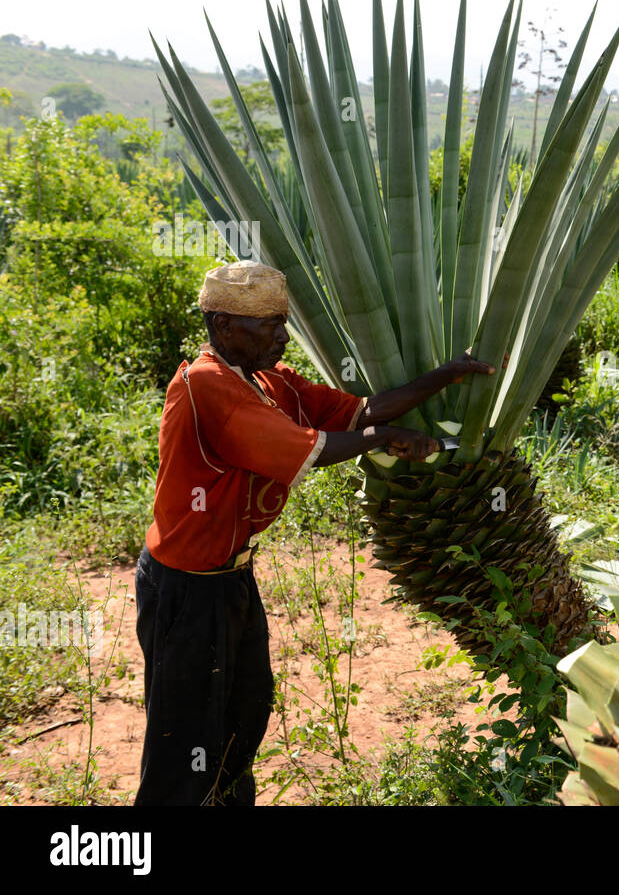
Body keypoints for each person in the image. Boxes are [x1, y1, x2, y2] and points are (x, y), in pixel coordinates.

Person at [134, 259, 493, 805]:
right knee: (185, 737)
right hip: (186, 590)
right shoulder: (208, 386)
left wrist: (446, 374)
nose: (283, 335)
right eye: (269, 325)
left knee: (243, 709)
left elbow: (358, 411)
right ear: (225, 326)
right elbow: (315, 448)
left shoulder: (269, 381)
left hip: (229, 578)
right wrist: (383, 438)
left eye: (283, 322)